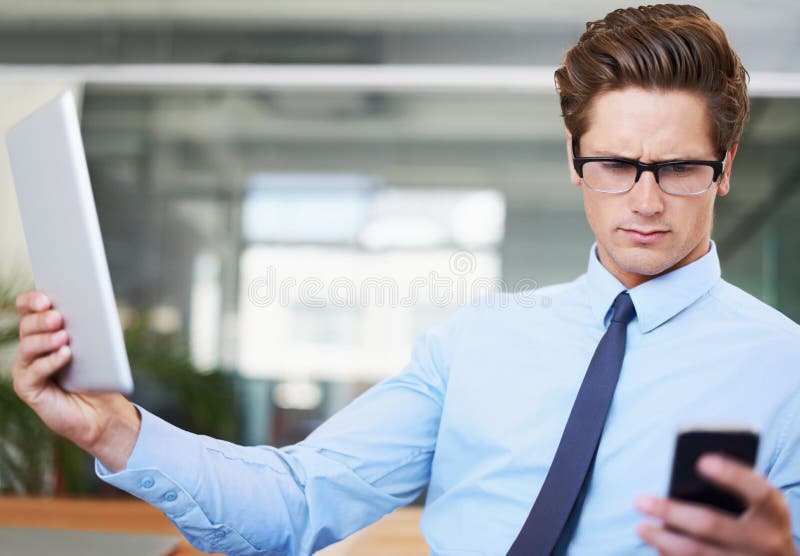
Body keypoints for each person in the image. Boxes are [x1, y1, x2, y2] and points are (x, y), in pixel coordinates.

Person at [10, 4, 800, 555]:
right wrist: (109, 428)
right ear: (574, 162)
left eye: (681, 167)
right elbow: (293, 505)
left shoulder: (786, 371)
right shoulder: (476, 342)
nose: (647, 198)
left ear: (725, 166)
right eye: (617, 164)